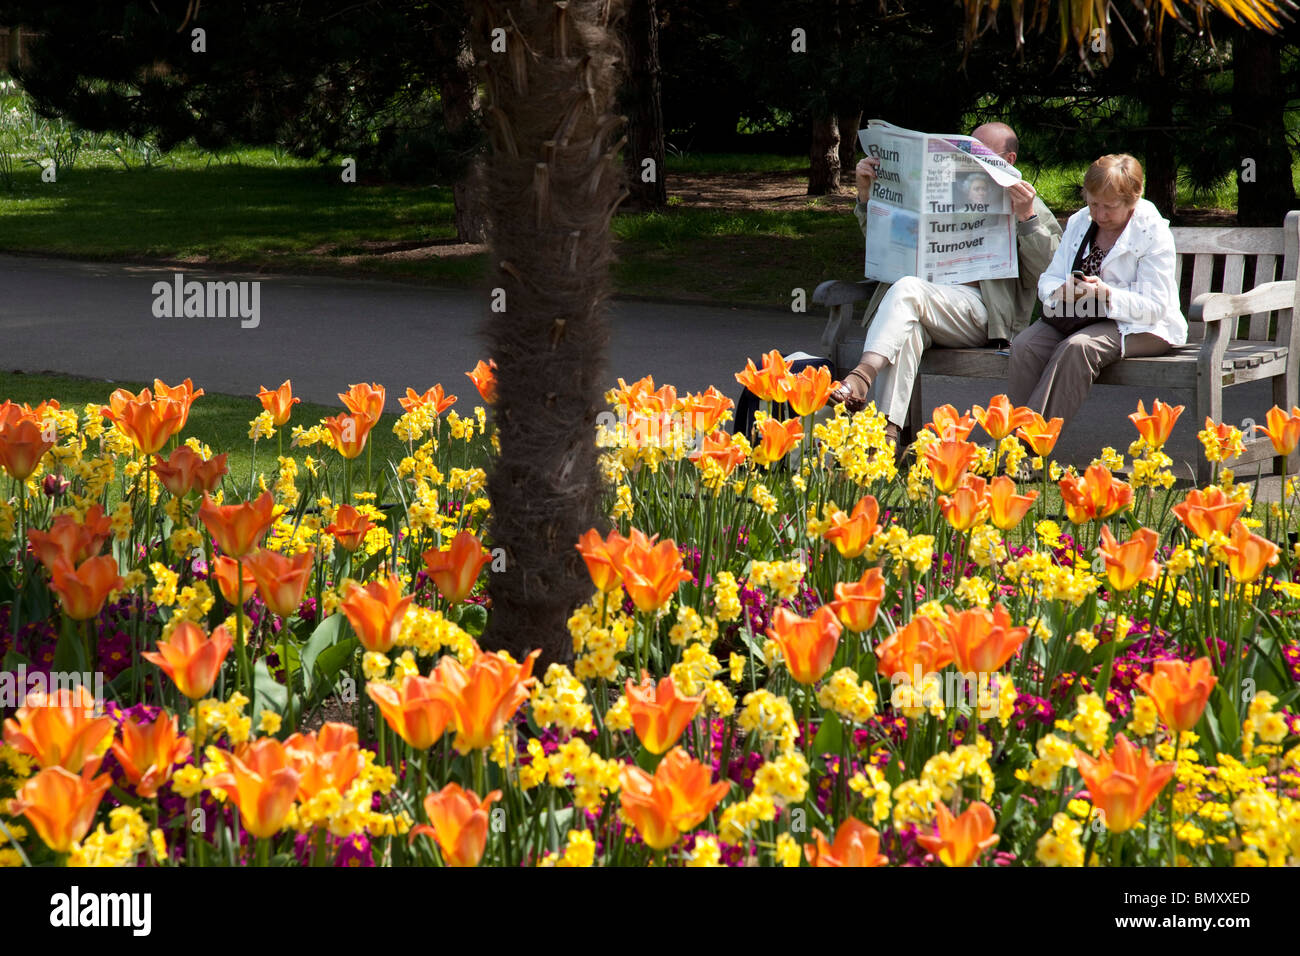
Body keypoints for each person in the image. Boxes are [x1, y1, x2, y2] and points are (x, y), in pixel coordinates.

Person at [830, 122, 1063, 450]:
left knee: (908, 289)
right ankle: (886, 437)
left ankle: (861, 376)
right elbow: (882, 246)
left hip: (979, 313)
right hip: (920, 305)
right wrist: (867, 197)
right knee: (906, 329)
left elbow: (1050, 272)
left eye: (984, 156)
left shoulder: (1024, 198)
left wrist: (1026, 218)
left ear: (1009, 159)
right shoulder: (935, 187)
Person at [1008, 153, 1185, 435]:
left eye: (1109, 207)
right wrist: (1061, 291)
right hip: (1079, 316)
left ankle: (1031, 445)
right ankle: (1012, 438)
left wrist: (1106, 296)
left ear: (1134, 197)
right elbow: (1049, 278)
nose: (1100, 215)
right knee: (1025, 345)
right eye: (1093, 204)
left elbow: (1156, 306)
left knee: (1078, 348)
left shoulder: (1152, 232)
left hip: (1141, 326)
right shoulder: (1081, 221)